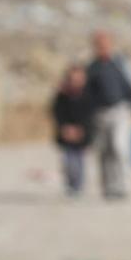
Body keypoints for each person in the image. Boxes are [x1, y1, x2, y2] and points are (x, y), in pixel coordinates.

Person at [84, 30, 131, 200]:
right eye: (99, 44)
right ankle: (108, 187)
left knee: (120, 148)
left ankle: (124, 185)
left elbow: (129, 86)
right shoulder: (92, 68)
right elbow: (87, 96)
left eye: (105, 44)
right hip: (100, 115)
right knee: (105, 152)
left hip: (120, 111)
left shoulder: (119, 64)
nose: (103, 48)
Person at [50, 65, 93, 197]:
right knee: (68, 161)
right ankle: (70, 184)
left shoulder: (88, 94)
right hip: (66, 134)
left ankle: (78, 185)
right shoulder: (62, 95)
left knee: (79, 161)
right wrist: (65, 128)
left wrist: (82, 129)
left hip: (82, 134)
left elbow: (90, 114)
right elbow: (57, 113)